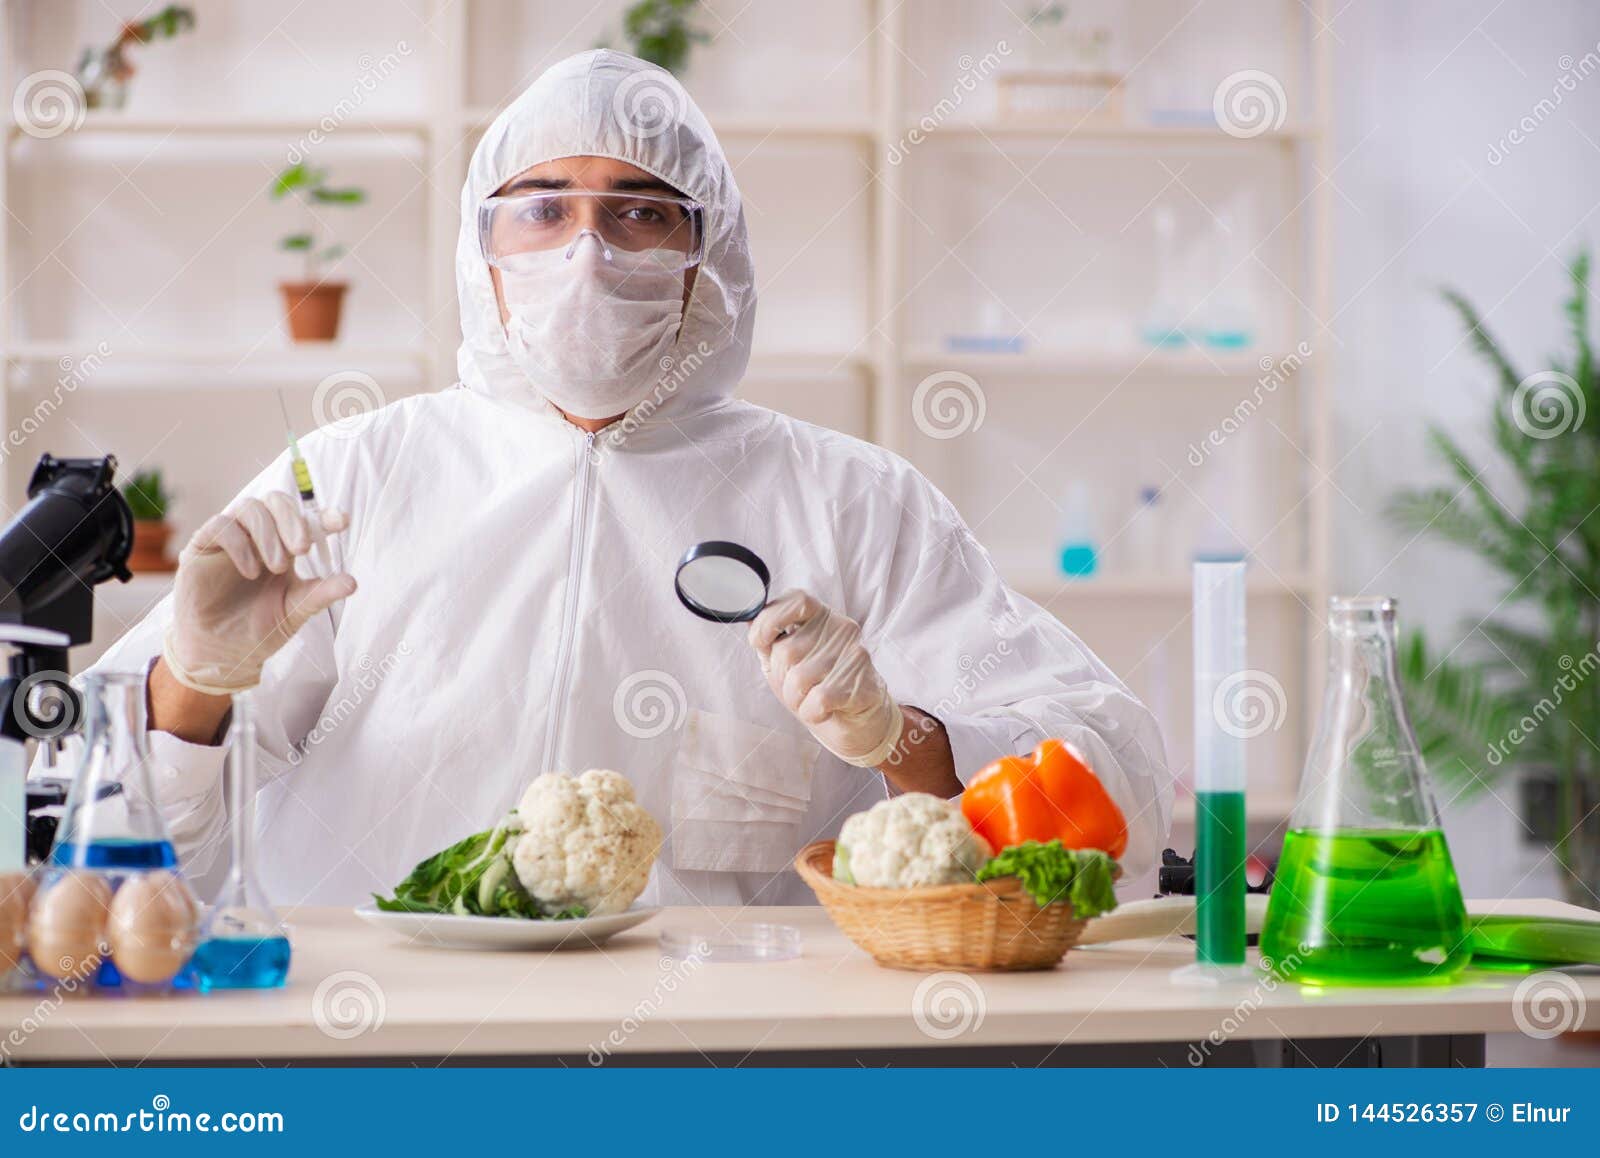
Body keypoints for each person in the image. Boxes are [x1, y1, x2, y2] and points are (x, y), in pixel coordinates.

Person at [71, 50, 1170, 907]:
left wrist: (904, 740)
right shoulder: (355, 472)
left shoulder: (853, 502)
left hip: (725, 1060)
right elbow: (107, 843)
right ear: (482, 252)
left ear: (712, 252)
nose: (587, 253)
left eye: (639, 211)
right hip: (383, 1034)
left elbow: (1104, 787)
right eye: (542, 207)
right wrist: (197, 683)